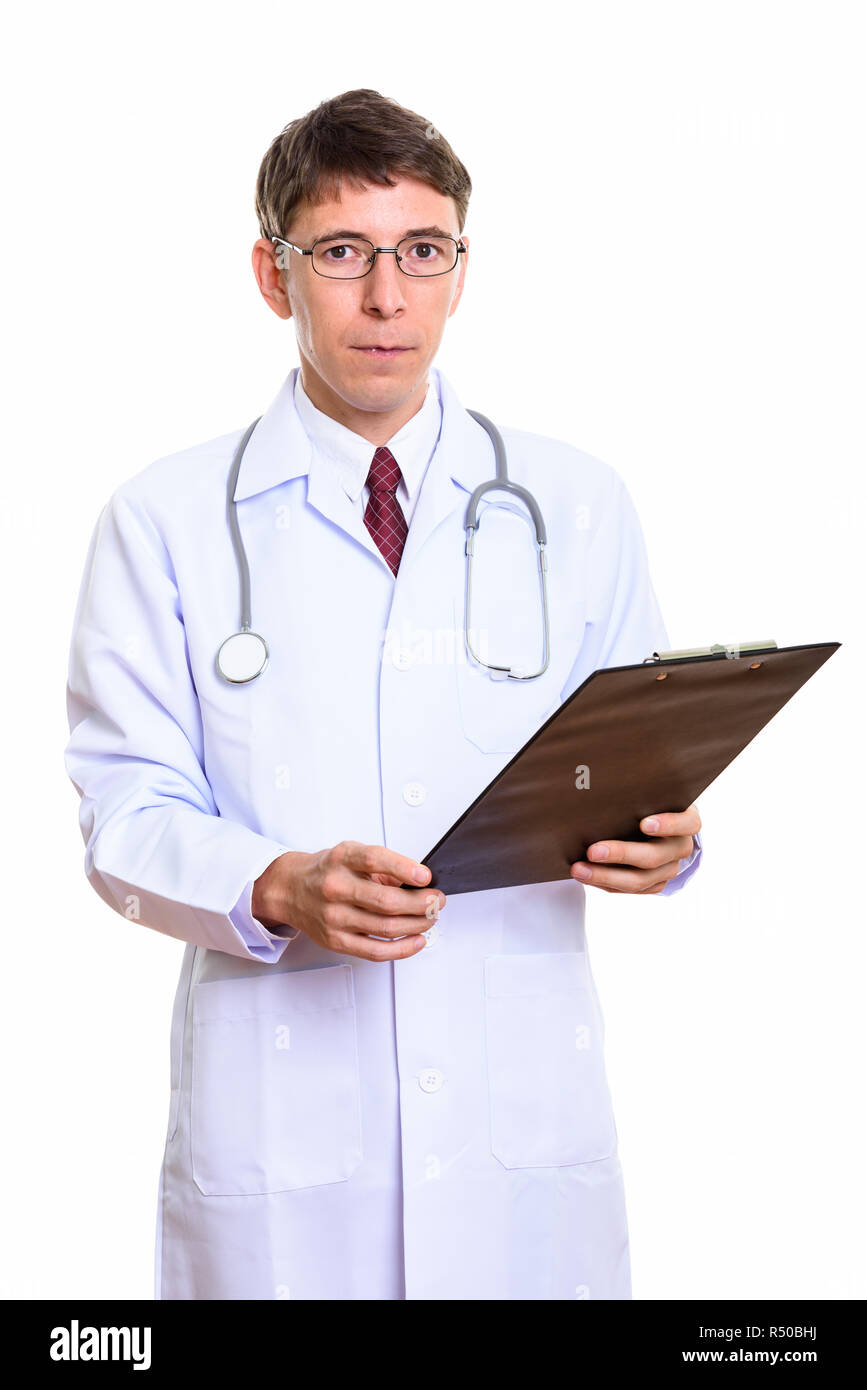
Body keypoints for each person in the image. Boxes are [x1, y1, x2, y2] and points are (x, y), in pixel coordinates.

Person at [64, 88, 702, 1301]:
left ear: (462, 270)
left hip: (519, 1140)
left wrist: (662, 842)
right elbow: (124, 817)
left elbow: (636, 761)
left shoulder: (576, 503)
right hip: (286, 1140)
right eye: (344, 254)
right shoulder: (167, 520)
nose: (386, 297)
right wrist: (276, 883)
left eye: (422, 251)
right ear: (274, 273)